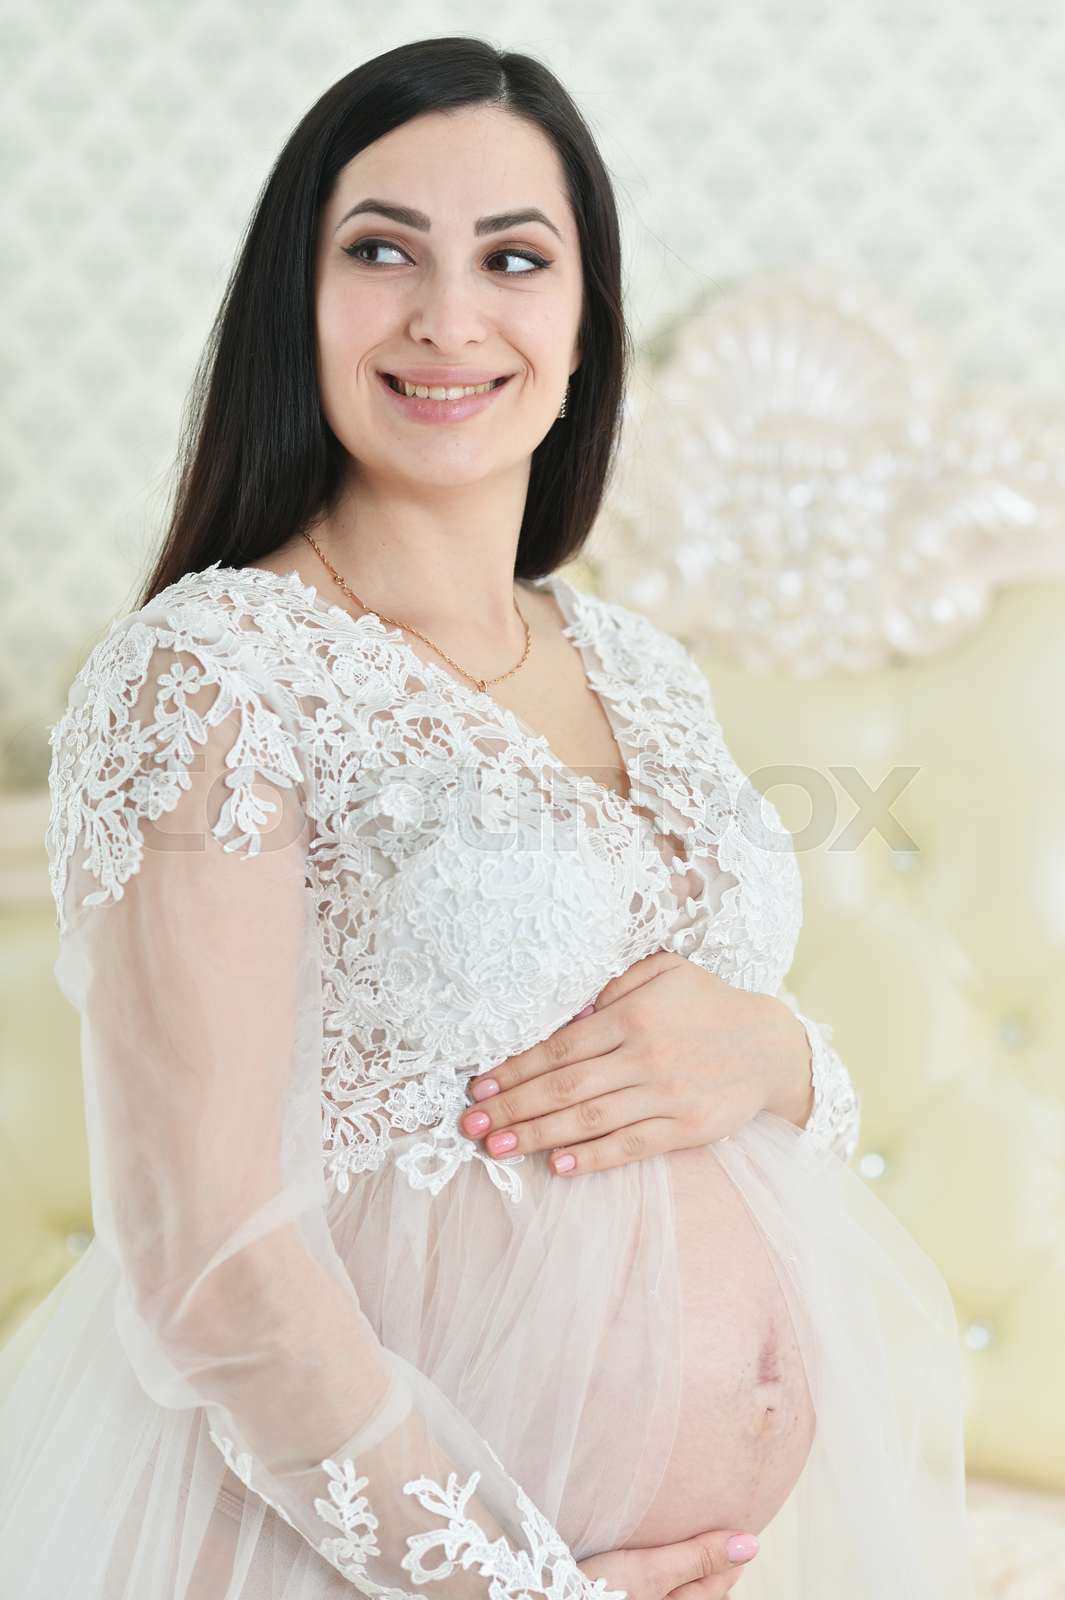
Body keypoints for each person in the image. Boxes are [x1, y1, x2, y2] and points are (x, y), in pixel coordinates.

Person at [0, 36, 976, 1600]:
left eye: (513, 260)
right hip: (370, 1567)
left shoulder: (637, 665)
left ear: (585, 327)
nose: (447, 318)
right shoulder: (213, 671)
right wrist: (518, 1590)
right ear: (293, 304)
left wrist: (784, 1057)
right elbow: (205, 1260)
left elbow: (710, 1066)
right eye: (380, 250)